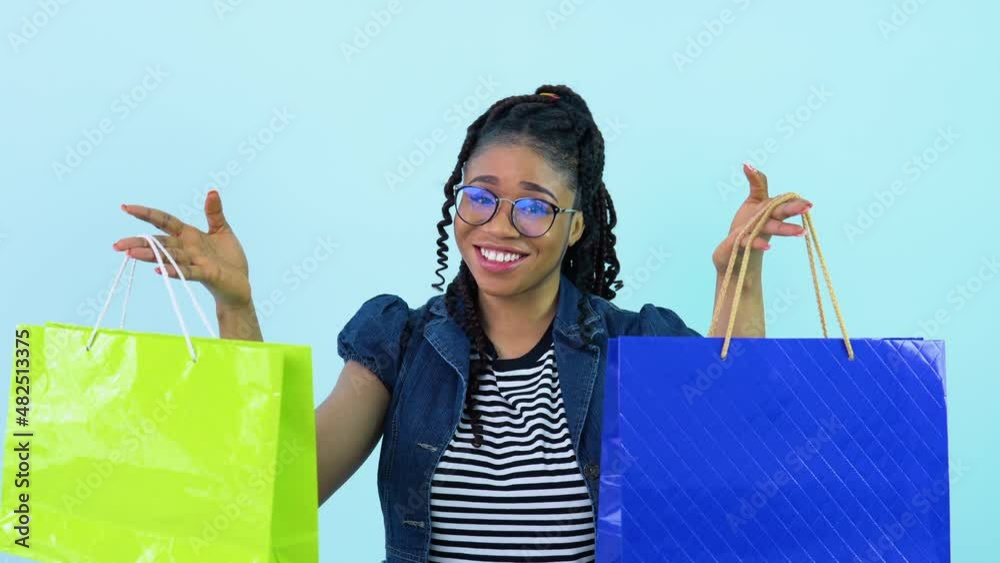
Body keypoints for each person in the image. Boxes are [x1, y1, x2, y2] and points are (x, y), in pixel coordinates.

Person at [112, 85, 811, 563]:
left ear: (575, 227)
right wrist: (235, 304)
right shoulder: (400, 344)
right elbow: (283, 487)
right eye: (480, 196)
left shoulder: (631, 345)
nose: (499, 225)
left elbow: (738, 444)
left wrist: (740, 274)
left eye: (534, 206)